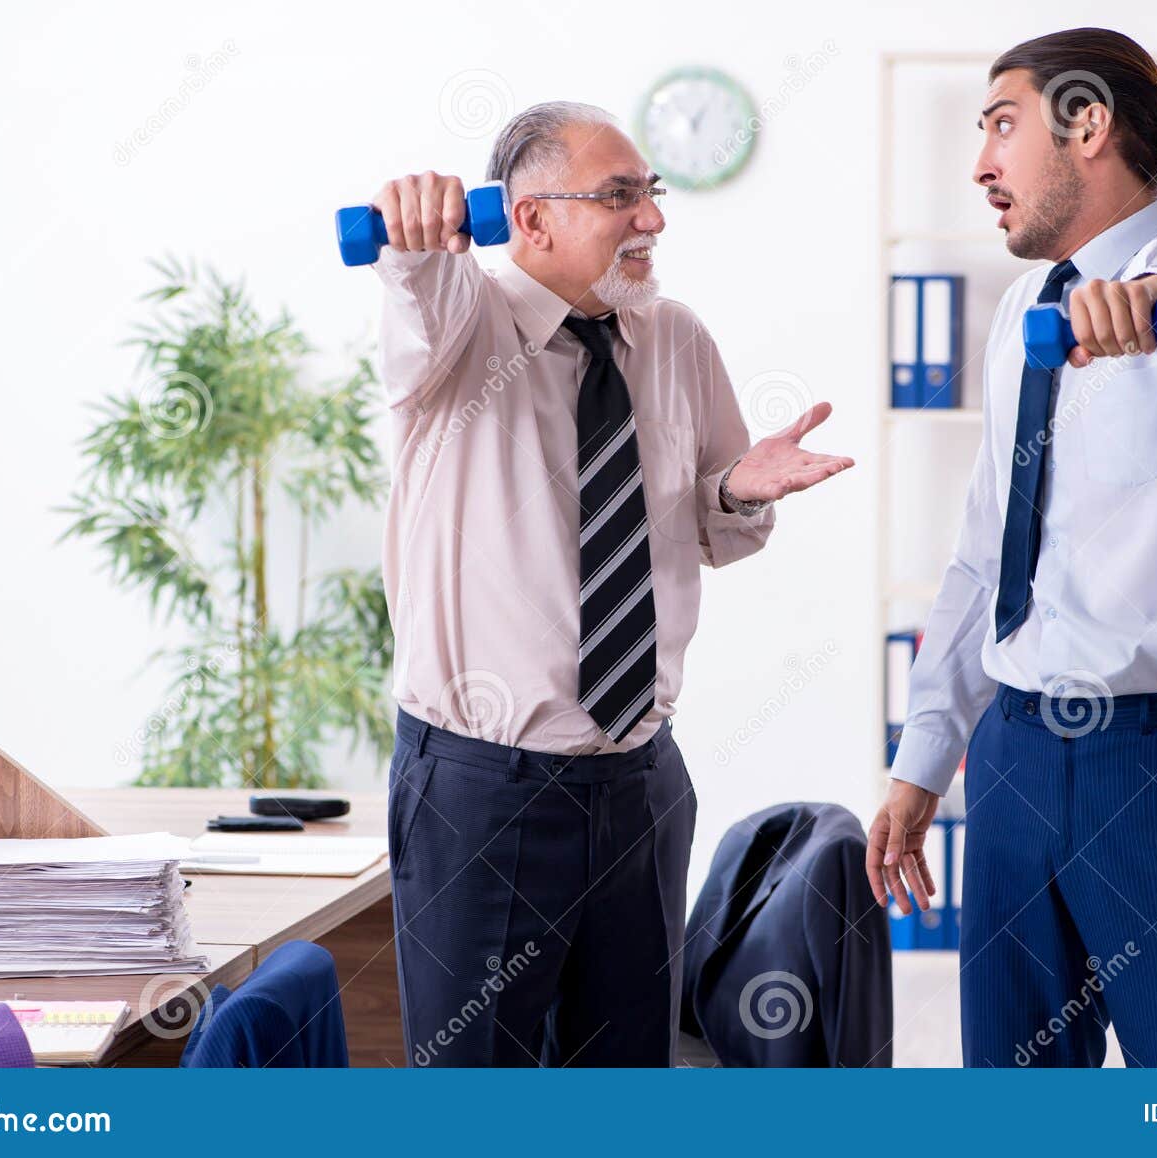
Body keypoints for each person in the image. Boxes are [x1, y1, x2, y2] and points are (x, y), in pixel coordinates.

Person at [866, 28, 1157, 1067]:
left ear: (1088, 125)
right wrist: (926, 756)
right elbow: (984, 554)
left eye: (1000, 125)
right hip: (1016, 759)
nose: (979, 161)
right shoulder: (1020, 313)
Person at [372, 101, 853, 1066]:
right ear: (531, 218)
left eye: (653, 194)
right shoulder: (464, 325)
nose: (653, 221)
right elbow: (419, 312)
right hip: (485, 789)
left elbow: (710, 531)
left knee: (627, 1079)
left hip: (639, 781)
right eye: (621, 197)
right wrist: (415, 243)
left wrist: (736, 490)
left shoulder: (673, 339)